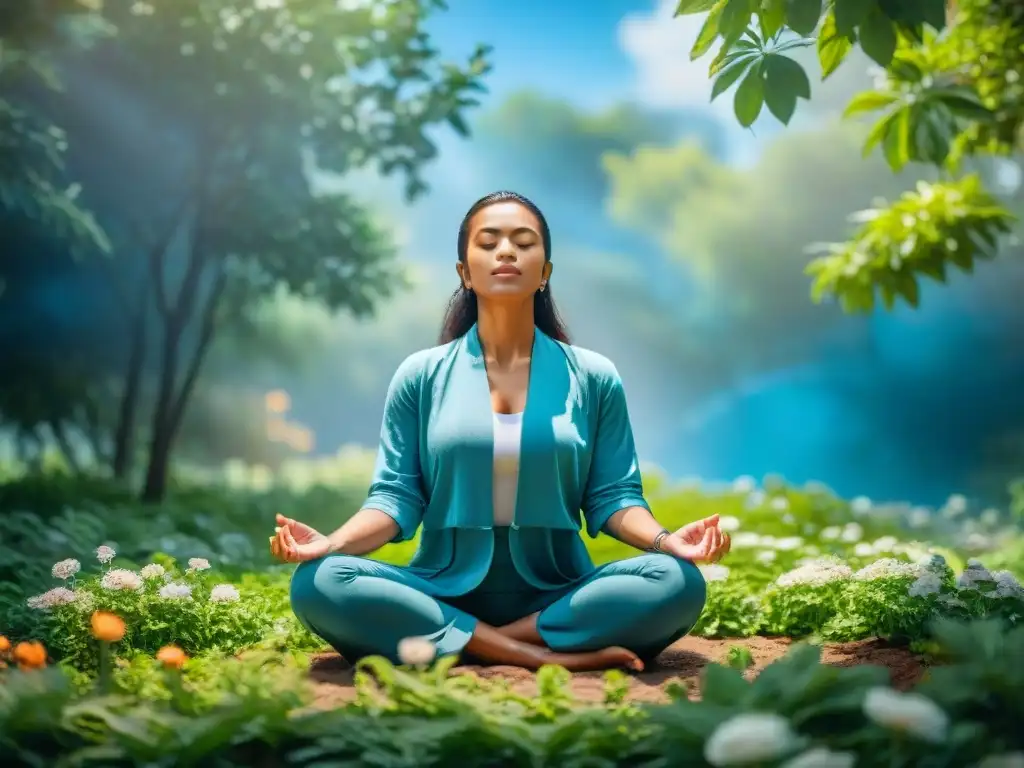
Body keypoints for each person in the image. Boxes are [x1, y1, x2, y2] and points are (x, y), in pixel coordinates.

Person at [272, 191, 730, 673]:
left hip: (558, 593)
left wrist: (667, 543)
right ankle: (535, 654)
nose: (506, 252)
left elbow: (613, 496)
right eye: (488, 243)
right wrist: (331, 545)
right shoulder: (421, 375)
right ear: (465, 272)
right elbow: (396, 497)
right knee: (318, 581)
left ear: (545, 271)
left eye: (523, 242)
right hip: (440, 589)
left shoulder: (593, 377)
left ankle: (475, 644)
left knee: (676, 581)